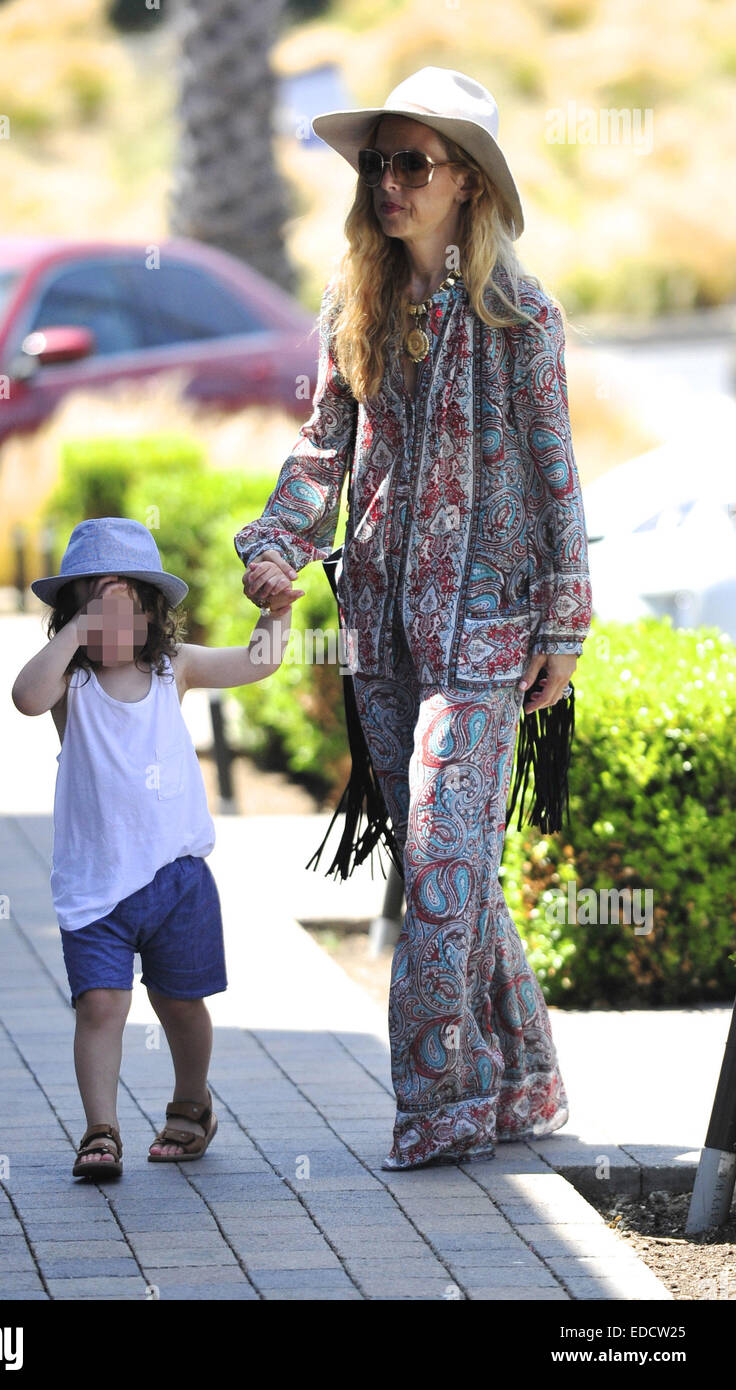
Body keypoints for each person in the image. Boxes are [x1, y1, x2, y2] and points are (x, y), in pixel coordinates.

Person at [234, 68, 593, 1170]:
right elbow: (322, 448)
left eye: (413, 164)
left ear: (469, 185)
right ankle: (522, 1080)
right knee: (455, 871)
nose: (389, 184)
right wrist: (278, 543)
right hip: (382, 631)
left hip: (488, 631)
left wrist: (564, 628)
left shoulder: (521, 317)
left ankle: (440, 1107)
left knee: (440, 862)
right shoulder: (358, 304)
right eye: (378, 164)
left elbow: (555, 472)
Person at [12, 517, 298, 1178]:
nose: (109, 628)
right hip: (95, 886)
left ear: (152, 617)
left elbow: (259, 661)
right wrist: (79, 634)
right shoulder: (70, 688)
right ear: (69, 619)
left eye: (123, 612)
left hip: (177, 880)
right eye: (91, 614)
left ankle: (192, 1102)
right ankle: (100, 1130)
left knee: (179, 1003)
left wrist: (276, 612)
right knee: (101, 1005)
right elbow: (25, 698)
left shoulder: (177, 670)